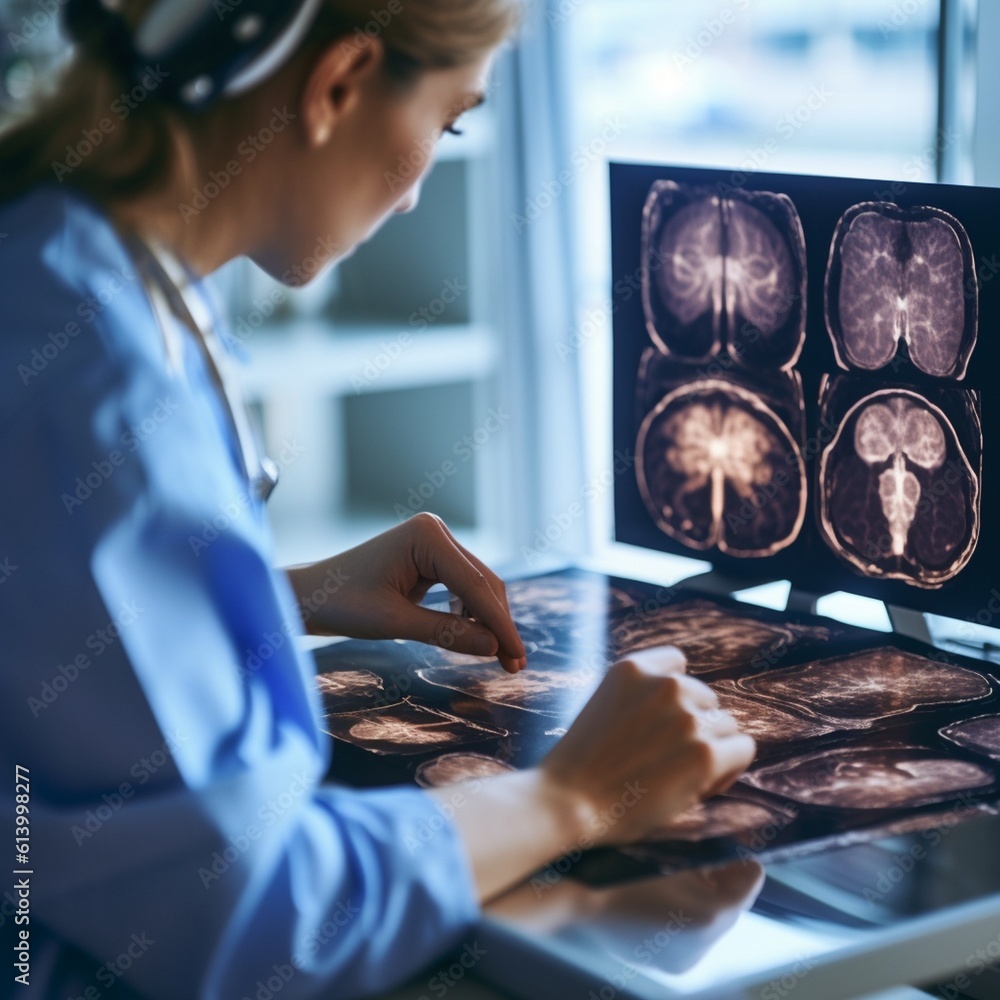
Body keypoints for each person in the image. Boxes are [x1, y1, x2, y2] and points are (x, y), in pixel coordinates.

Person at [0, 1, 756, 997]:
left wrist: (288, 597)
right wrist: (571, 798)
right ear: (339, 84)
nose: (412, 199)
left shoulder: (59, 257)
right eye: (447, 125)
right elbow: (257, 919)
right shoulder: (101, 381)